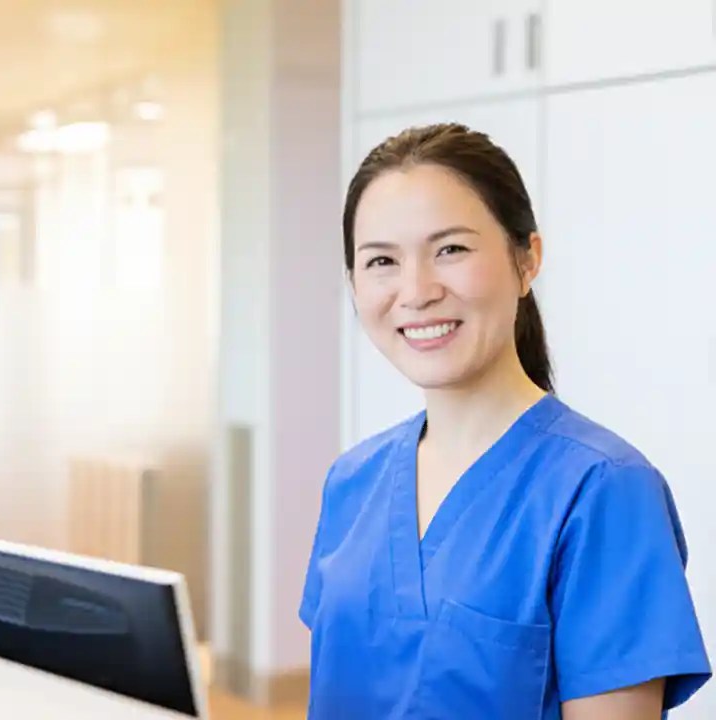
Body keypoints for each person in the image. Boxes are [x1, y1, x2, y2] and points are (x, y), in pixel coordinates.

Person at [299, 123, 711, 718]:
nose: (415, 291)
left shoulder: (604, 491)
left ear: (526, 260)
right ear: (354, 285)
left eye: (451, 250)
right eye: (382, 260)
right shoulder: (351, 481)